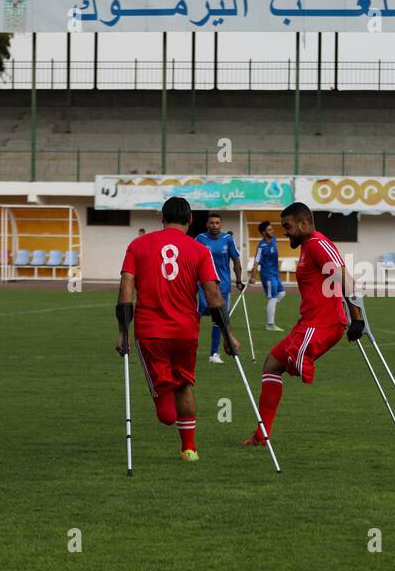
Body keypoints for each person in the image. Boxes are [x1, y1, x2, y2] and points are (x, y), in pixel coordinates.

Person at [116, 197, 238, 463]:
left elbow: (126, 287)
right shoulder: (199, 250)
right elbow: (213, 294)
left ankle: (171, 415)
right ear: (191, 220)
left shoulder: (138, 245)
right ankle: (189, 449)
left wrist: (123, 332)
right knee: (184, 385)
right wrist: (228, 334)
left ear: (161, 217)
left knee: (166, 414)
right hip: (186, 332)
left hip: (150, 333)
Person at [243, 203, 364, 448]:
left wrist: (357, 319)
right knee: (270, 365)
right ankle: (261, 436)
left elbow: (345, 279)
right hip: (306, 324)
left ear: (304, 224)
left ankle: (300, 363)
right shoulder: (307, 246)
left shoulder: (318, 244)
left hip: (322, 325)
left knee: (290, 363)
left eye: (287, 227)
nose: (284, 232)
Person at [194, 212, 244, 364]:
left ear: (221, 225)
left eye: (217, 223)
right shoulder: (200, 239)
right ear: (207, 225)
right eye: (211, 223)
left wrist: (239, 280)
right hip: (203, 286)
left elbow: (236, 261)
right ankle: (188, 349)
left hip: (223, 287)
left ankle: (214, 354)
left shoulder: (227, 239)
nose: (214, 226)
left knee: (220, 320)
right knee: (195, 317)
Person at [248, 219, 286, 331]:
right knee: (273, 298)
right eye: (269, 230)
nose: (272, 231)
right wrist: (254, 277)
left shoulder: (274, 239)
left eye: (272, 228)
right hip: (268, 275)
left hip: (275, 274)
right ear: (264, 233)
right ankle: (270, 325)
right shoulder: (261, 246)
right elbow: (256, 262)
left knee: (282, 293)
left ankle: (271, 307)